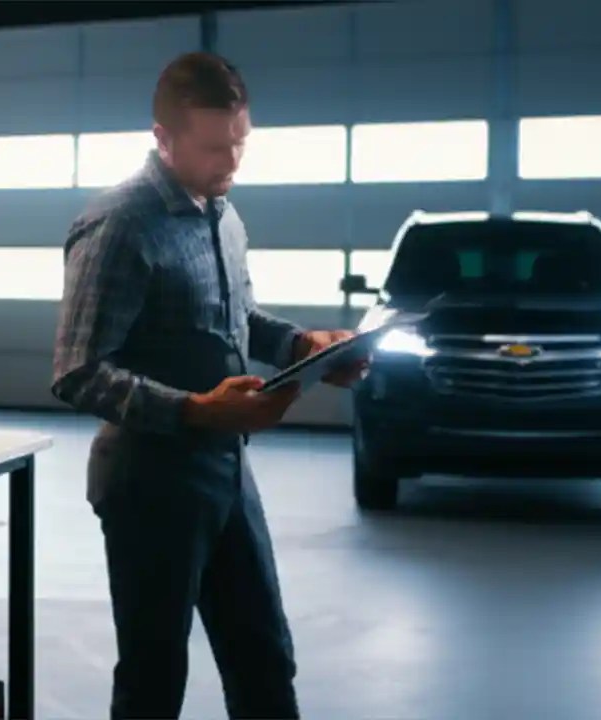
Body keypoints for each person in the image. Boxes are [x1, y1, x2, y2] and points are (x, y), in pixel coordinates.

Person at [51, 51, 363, 720]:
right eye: (215, 146)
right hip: (148, 481)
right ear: (163, 139)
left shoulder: (220, 213)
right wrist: (194, 410)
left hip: (225, 471)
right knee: (154, 675)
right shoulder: (120, 227)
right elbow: (76, 370)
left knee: (265, 657)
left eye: (241, 143)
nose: (232, 161)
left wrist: (303, 347)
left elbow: (234, 318)